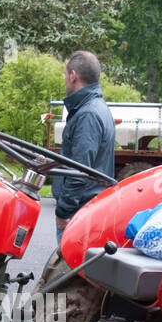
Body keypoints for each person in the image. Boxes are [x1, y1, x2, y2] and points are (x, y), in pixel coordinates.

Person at [53, 50, 116, 241]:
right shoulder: (95, 107)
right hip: (86, 207)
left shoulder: (87, 114)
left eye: (66, 75)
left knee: (67, 268)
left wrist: (64, 211)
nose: (65, 79)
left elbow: (80, 170)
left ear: (73, 76)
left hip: (79, 212)